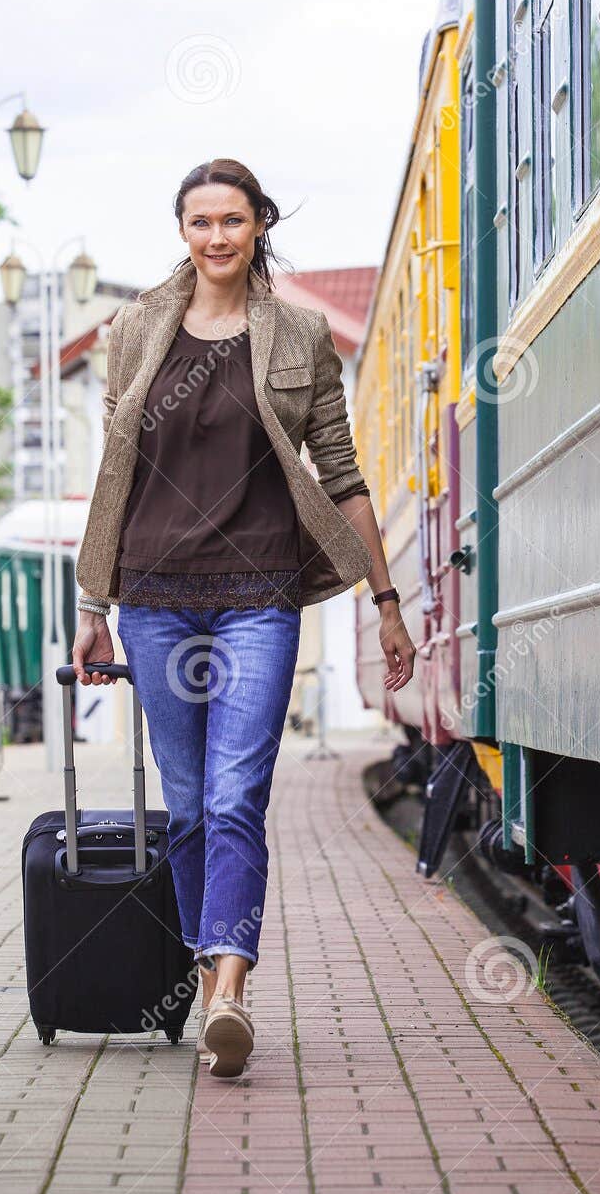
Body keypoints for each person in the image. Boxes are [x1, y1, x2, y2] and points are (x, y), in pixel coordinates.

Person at [72, 158, 415, 1078]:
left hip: (258, 597)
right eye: (199, 223)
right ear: (181, 231)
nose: (216, 237)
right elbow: (115, 474)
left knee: (234, 798)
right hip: (152, 599)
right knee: (187, 811)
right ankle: (204, 958)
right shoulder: (138, 327)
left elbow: (341, 477)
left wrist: (386, 603)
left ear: (259, 223)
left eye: (232, 220)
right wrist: (92, 604)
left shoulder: (300, 334)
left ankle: (229, 985)